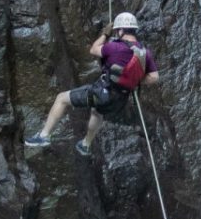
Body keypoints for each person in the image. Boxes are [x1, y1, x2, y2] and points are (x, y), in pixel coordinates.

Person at [26, 14, 160, 159]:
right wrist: (133, 79)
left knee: (61, 99)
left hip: (103, 93)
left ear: (120, 30)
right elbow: (154, 77)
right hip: (120, 100)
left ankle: (44, 136)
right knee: (97, 112)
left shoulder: (114, 47)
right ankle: (86, 144)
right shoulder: (145, 53)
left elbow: (94, 50)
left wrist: (105, 34)